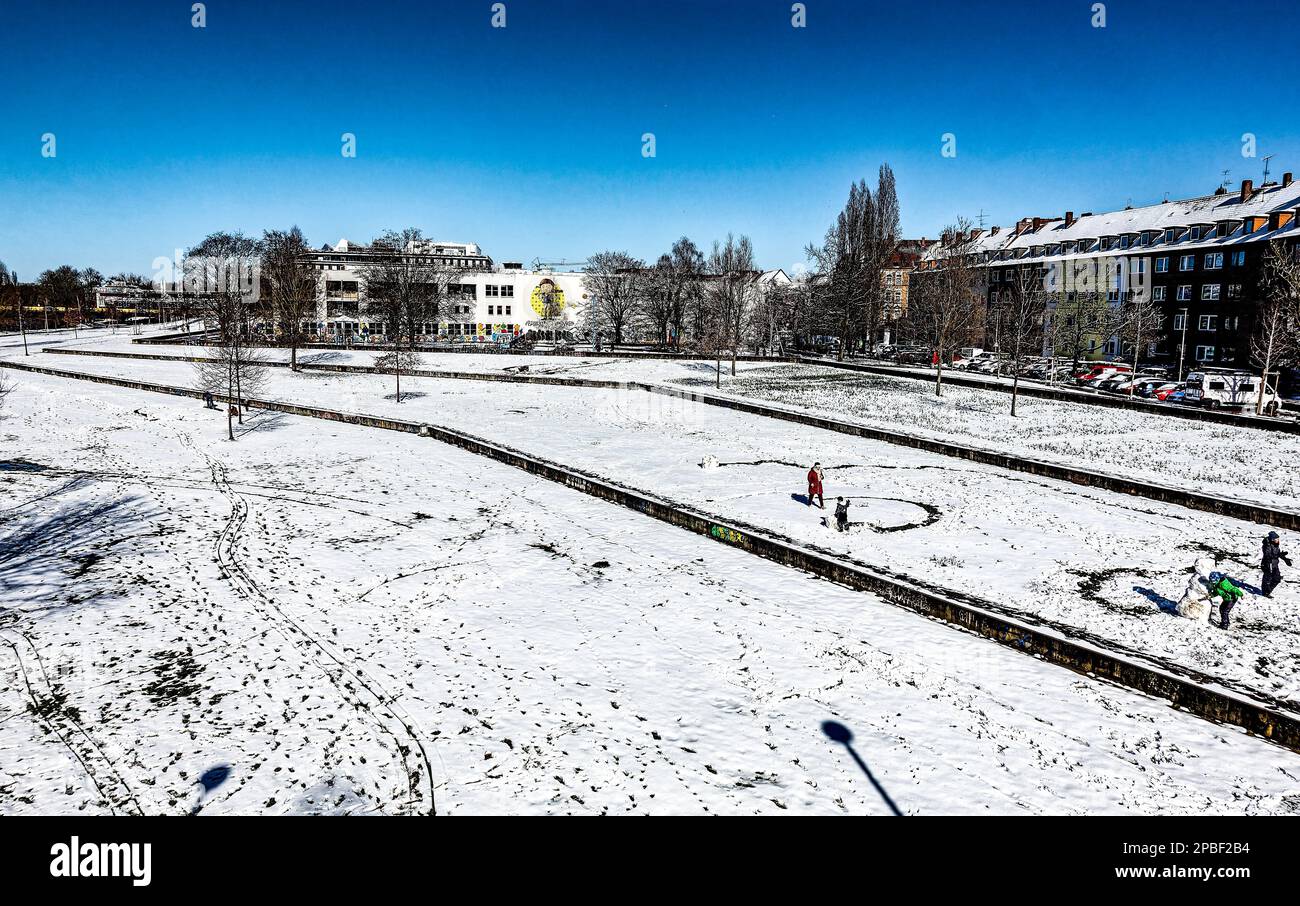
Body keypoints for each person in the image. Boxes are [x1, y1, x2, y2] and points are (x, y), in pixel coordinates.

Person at [1262, 531, 1291, 597]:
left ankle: (1268, 591)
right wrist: (1278, 555)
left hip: (1275, 564)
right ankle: (1265, 593)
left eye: (1278, 539)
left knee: (1277, 579)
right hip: (1268, 564)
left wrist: (1285, 558)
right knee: (1267, 579)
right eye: (1276, 539)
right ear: (1272, 539)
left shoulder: (1276, 545)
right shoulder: (1267, 545)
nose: (1278, 540)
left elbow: (1277, 553)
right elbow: (1268, 555)